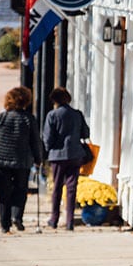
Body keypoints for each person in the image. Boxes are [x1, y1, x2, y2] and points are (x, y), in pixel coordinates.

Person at [0, 86, 44, 234]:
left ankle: (4, 225)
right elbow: (35, 141)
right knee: (21, 190)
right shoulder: (28, 118)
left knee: (3, 193)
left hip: (2, 160)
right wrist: (38, 159)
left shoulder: (1, 117)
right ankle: (17, 216)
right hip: (22, 160)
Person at [42, 86, 91, 230]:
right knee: (71, 187)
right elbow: (85, 133)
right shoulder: (77, 114)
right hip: (75, 154)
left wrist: (47, 151)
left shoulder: (52, 115)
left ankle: (54, 218)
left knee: (57, 187)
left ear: (54, 100)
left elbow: (48, 138)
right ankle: (70, 221)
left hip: (57, 156)